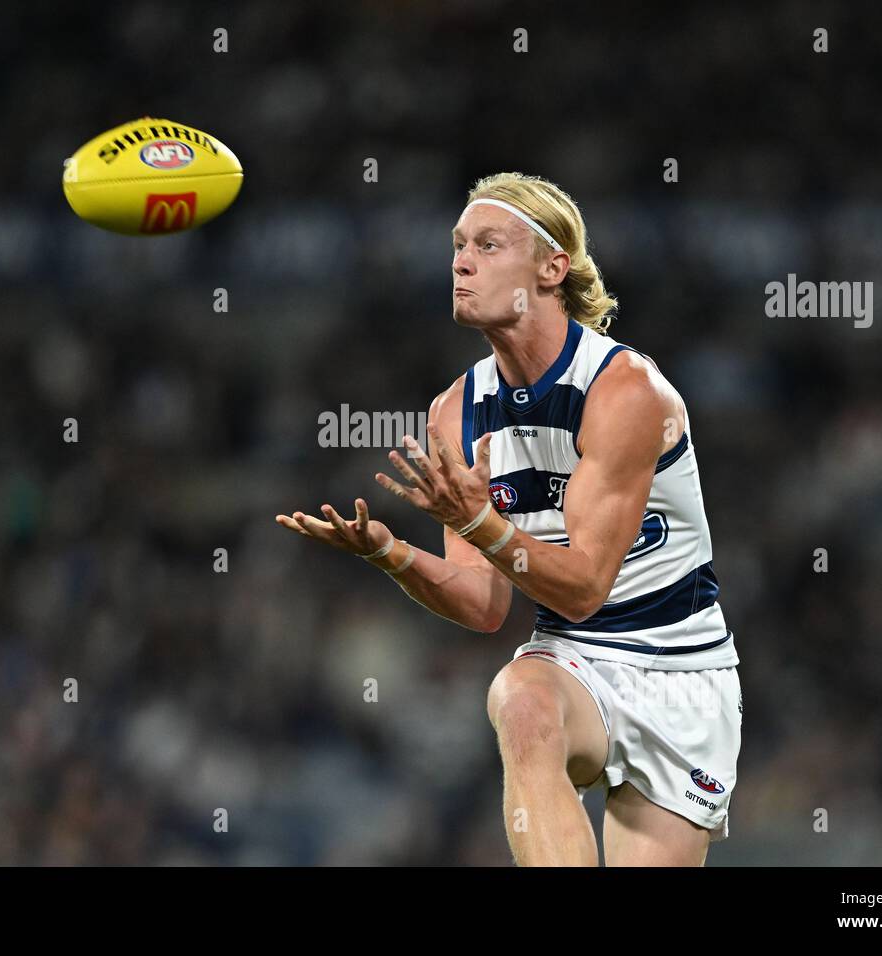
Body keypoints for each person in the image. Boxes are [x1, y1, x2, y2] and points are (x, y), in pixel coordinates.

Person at [277, 172, 741, 866]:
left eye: (489, 245)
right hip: (575, 660)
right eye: (459, 245)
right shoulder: (454, 412)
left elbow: (585, 585)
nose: (461, 261)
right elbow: (485, 604)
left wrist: (480, 524)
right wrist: (389, 553)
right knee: (522, 700)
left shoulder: (624, 391)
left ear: (553, 267)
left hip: (683, 670)